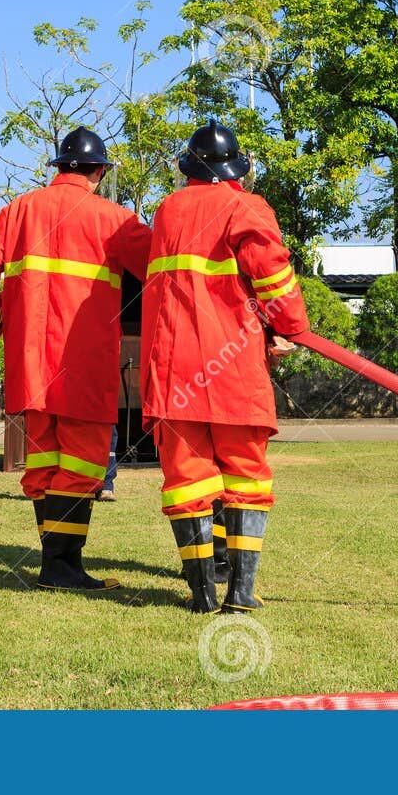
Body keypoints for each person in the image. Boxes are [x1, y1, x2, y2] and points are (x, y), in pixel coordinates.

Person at [0, 126, 152, 591]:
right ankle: (62, 567)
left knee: (44, 463)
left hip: (31, 364)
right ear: (99, 172)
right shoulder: (114, 219)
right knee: (82, 463)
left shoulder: (20, 209)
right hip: (84, 365)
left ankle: (55, 563)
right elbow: (164, 261)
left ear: (59, 167)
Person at [140, 122, 310, 614]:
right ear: (238, 167)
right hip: (233, 363)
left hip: (173, 369)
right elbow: (274, 278)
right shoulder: (246, 207)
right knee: (247, 474)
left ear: (188, 168)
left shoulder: (168, 210)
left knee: (187, 477)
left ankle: (201, 594)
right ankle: (240, 590)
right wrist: (289, 327)